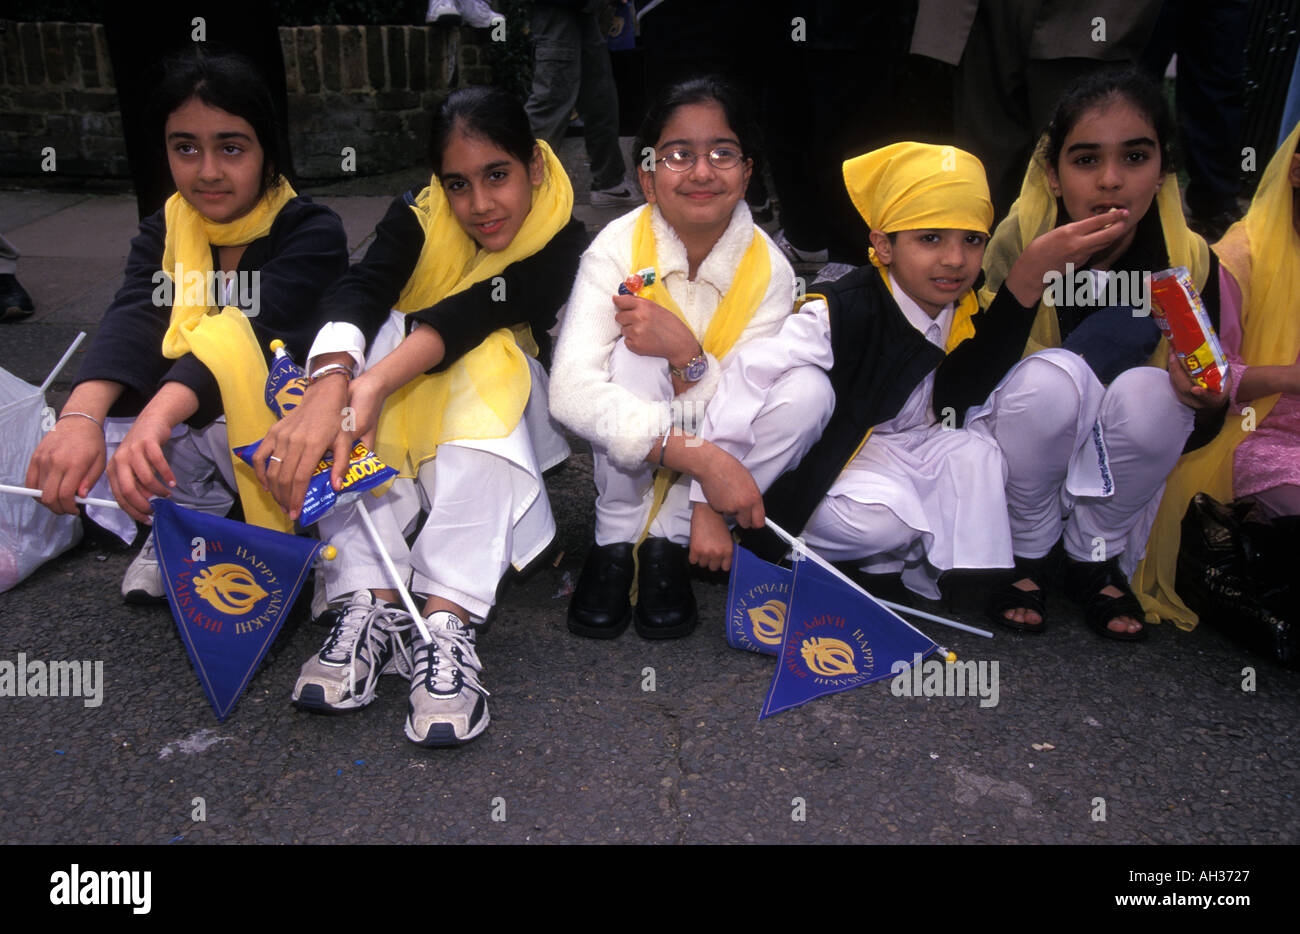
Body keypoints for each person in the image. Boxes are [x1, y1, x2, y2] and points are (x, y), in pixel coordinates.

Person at [252, 86, 588, 747]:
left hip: (523, 405)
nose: (480, 205)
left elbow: (479, 309)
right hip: (422, 390)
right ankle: (371, 596)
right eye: (457, 184)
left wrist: (369, 383)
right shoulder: (416, 215)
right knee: (373, 338)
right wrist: (332, 384)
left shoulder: (565, 235)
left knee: (480, 351)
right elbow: (362, 285)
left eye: (498, 176)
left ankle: (445, 616)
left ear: (536, 167)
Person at [24, 49, 348, 603]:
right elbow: (137, 311)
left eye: (231, 146)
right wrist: (78, 418)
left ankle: (324, 550)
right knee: (116, 410)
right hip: (202, 422)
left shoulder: (312, 231)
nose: (208, 171)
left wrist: (155, 416)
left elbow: (246, 326)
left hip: (287, 422)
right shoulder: (170, 226)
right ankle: (185, 521)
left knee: (214, 400)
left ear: (268, 148)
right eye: (185, 148)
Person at [549, 75, 835, 641]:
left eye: (722, 153)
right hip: (674, 449)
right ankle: (616, 534)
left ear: (748, 173)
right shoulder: (615, 246)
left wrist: (686, 354)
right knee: (633, 358)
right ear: (648, 176)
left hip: (713, 439)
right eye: (679, 155)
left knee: (809, 392)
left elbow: (745, 393)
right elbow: (570, 391)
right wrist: (704, 460)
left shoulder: (771, 271)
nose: (702, 172)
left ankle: (673, 535)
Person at [977, 67, 1228, 640]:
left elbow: (1200, 425)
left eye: (1135, 158)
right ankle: (1028, 548)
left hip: (1118, 458)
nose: (1111, 181)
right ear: (1055, 175)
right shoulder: (1016, 238)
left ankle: (1093, 551)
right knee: (1053, 379)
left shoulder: (1189, 258)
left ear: (1163, 170)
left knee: (1155, 393)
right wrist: (1028, 278)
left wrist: (1208, 400)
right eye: (1086, 160)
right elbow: (967, 381)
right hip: (1025, 444)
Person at [740, 142, 1041, 600]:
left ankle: (948, 575)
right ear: (883, 245)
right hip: (840, 458)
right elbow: (751, 378)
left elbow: (974, 380)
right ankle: (773, 536)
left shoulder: (962, 305)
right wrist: (715, 496)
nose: (955, 259)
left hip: (910, 448)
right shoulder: (839, 311)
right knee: (886, 523)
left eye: (972, 239)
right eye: (930, 238)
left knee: (979, 455)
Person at [1135, 120, 1300, 626]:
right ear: (1296, 169)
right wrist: (1287, 379)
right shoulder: (1240, 256)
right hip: (1254, 433)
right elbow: (1209, 376)